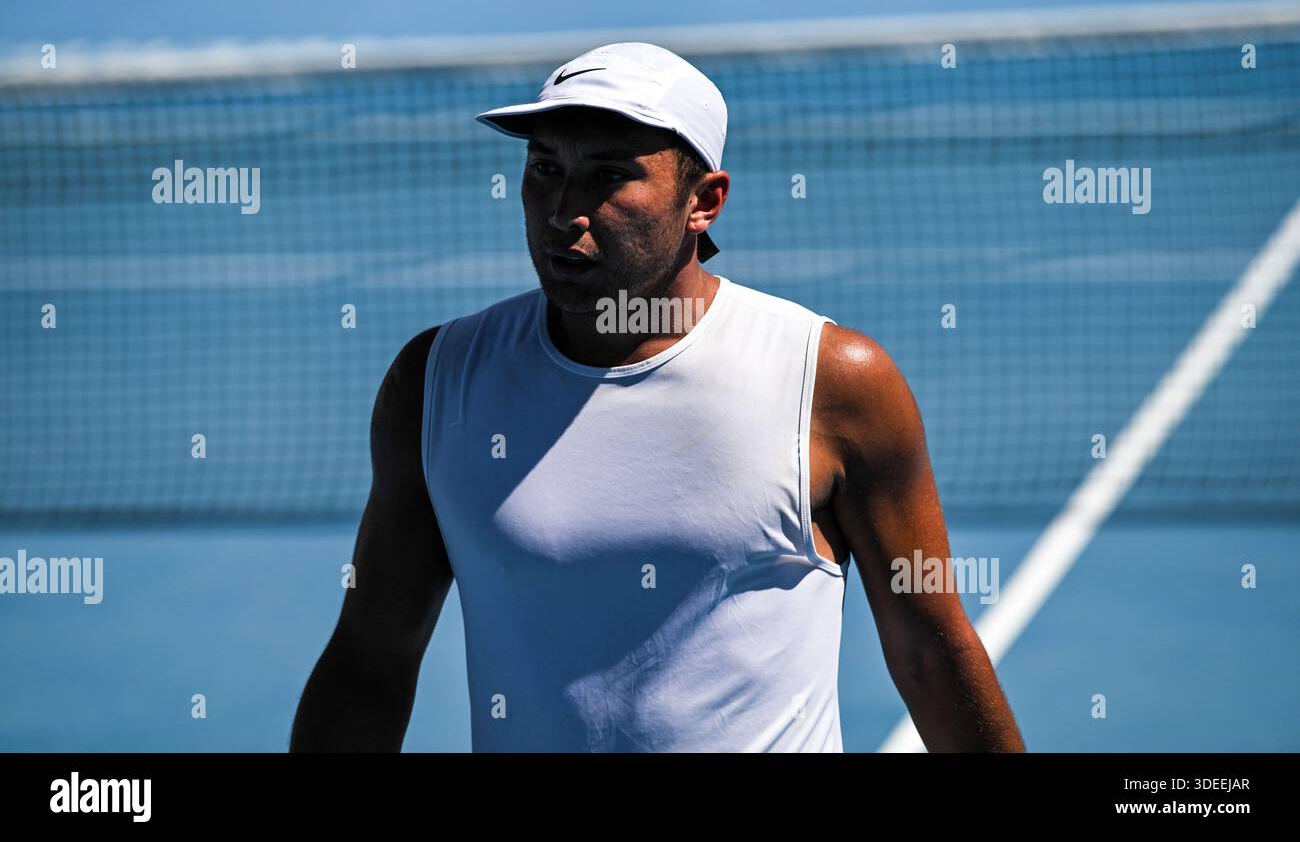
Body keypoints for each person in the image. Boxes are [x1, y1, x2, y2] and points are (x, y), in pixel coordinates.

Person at [291, 42, 1024, 752]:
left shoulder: (835, 384)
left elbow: (931, 652)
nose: (562, 211)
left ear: (704, 202)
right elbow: (371, 659)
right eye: (545, 168)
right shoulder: (434, 383)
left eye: (608, 177)